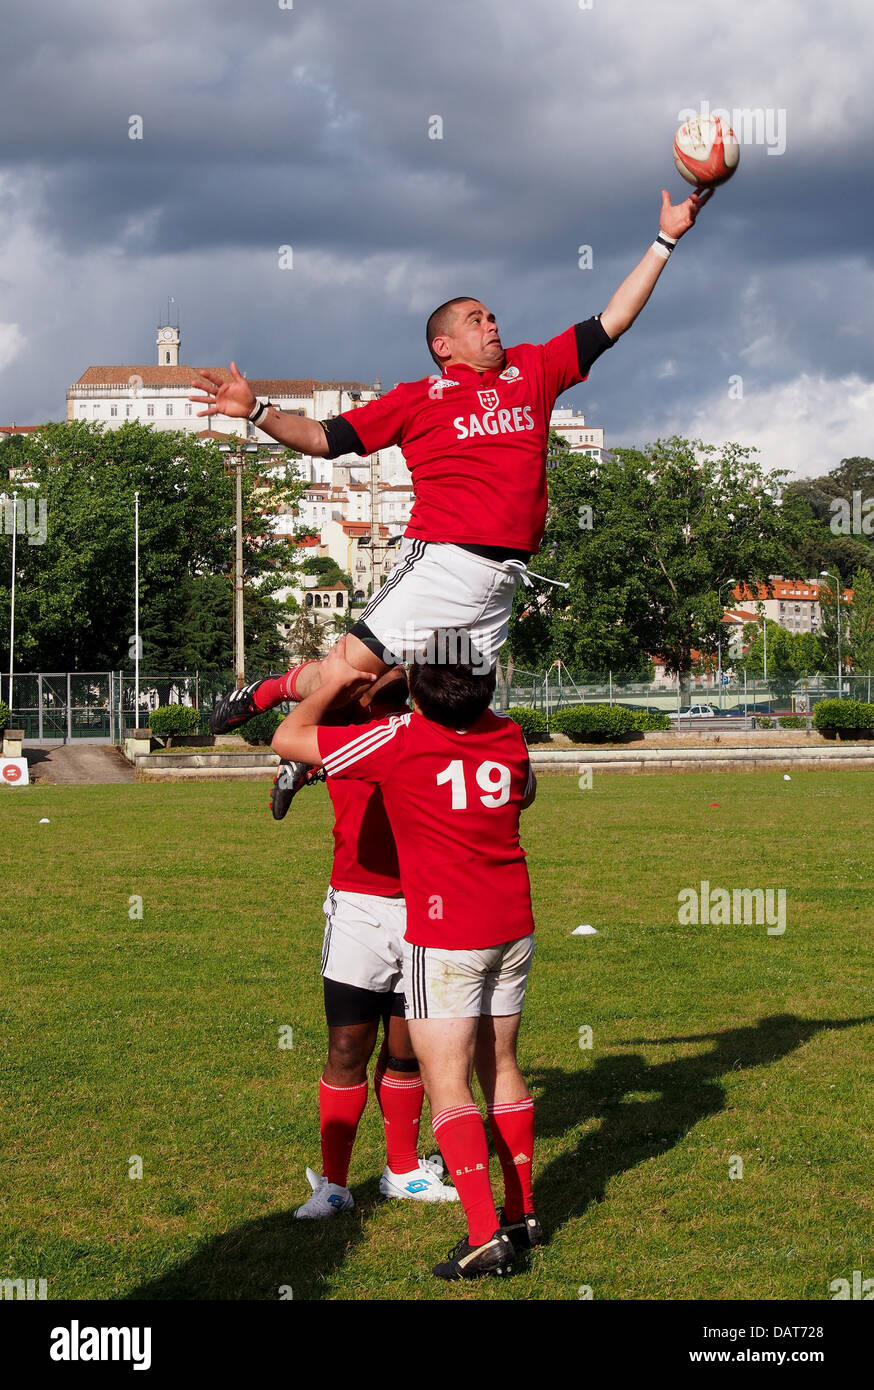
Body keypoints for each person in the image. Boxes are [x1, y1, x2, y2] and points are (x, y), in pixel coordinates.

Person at [192, 187, 713, 778]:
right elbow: (322, 439)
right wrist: (258, 411)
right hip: (445, 562)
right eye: (476, 319)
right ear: (444, 347)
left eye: (492, 316)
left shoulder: (532, 368)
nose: (492, 324)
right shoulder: (417, 399)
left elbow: (613, 319)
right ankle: (274, 697)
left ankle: (327, 752)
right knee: (352, 676)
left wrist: (666, 239)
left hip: (504, 577)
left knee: (449, 713)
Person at [272, 634, 539, 1281]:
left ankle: (484, 1236)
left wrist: (336, 676)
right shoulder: (510, 737)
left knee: (447, 1083)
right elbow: (525, 793)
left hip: (446, 936)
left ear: (418, 687)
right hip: (513, 924)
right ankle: (523, 1216)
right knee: (501, 1066)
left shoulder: (402, 742)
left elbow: (290, 739)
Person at [288, 664, 458, 1216]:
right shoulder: (344, 735)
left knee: (407, 1052)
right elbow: (295, 722)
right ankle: (334, 1185)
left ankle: (402, 1170)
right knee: (346, 1048)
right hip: (359, 909)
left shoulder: (421, 731)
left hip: (426, 907)